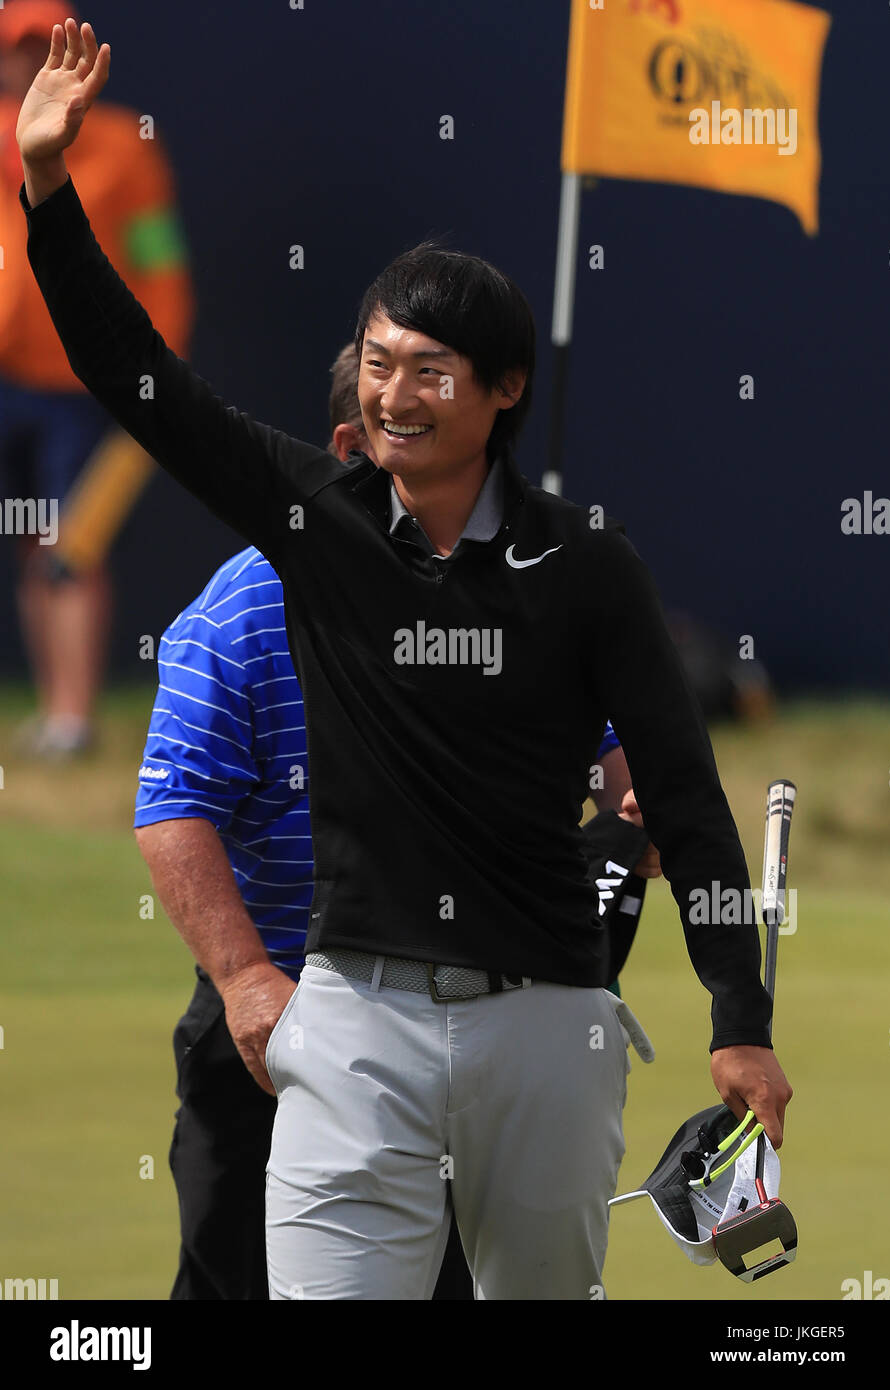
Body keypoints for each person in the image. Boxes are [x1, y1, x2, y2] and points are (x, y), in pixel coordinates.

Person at [17, 21, 791, 1300]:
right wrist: (47, 189)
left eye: (429, 373)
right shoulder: (314, 523)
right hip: (354, 1019)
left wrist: (738, 1016)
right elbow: (135, 375)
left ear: (501, 394)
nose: (392, 395)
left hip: (547, 1020)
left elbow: (687, 803)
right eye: (378, 365)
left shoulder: (590, 570)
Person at [134, 342, 646, 1301]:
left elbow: (610, 755)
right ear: (344, 449)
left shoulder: (493, 588)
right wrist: (246, 981)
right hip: (270, 1007)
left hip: (450, 1014)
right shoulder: (241, 608)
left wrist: (636, 799)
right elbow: (174, 805)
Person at [0, 0, 193, 756]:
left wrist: (158, 373)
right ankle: (55, 708)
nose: (26, 63)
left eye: (40, 48)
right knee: (29, 538)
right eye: (15, 50)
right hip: (6, 380)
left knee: (69, 545)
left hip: (85, 385)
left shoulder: (124, 144)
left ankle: (74, 717)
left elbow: (159, 260)